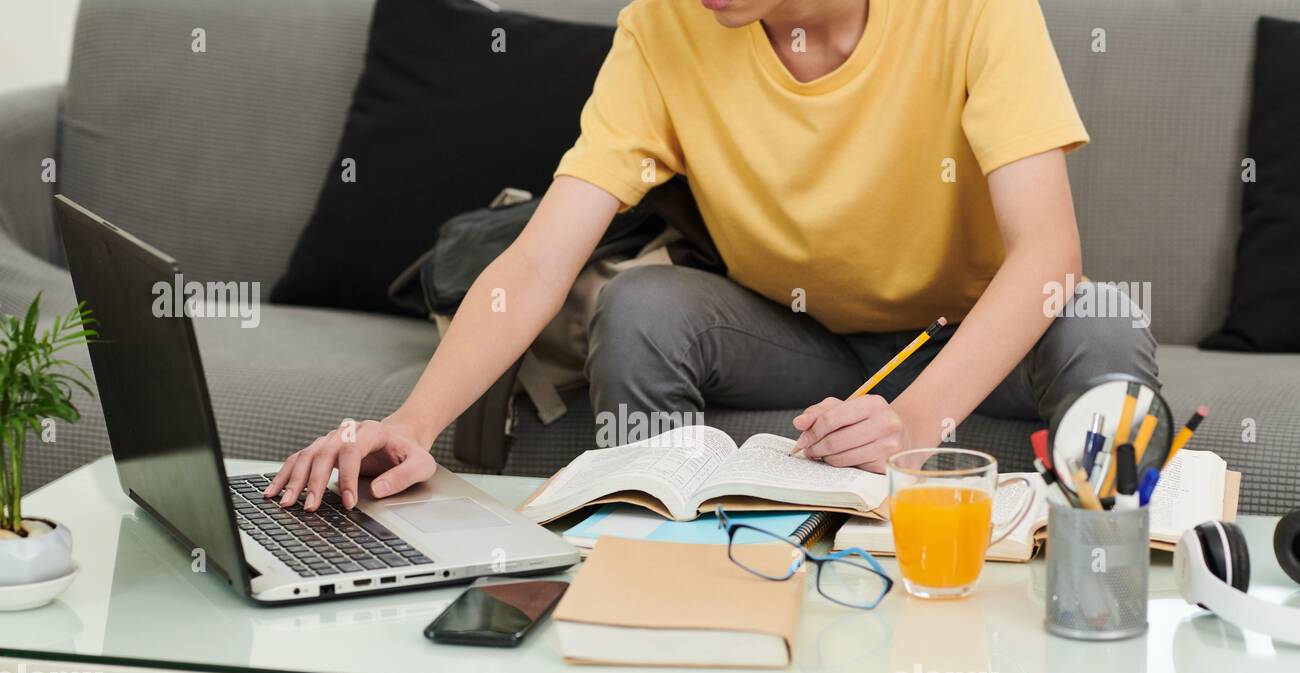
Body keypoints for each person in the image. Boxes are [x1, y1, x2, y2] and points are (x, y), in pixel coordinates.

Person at [266, 0, 1157, 513]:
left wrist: (917, 420)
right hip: (795, 337)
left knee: (1099, 322)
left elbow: (1048, 251)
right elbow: (540, 262)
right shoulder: (660, 29)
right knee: (643, 306)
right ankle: (666, 564)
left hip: (960, 339)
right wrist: (411, 424)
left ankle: (1102, 601)